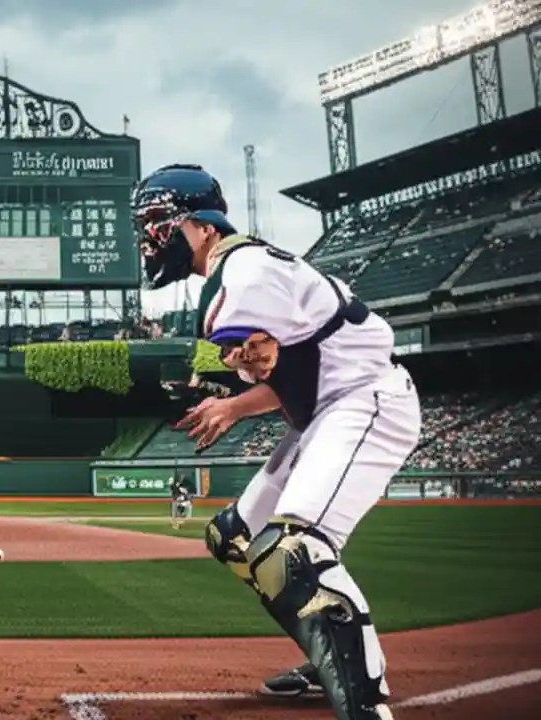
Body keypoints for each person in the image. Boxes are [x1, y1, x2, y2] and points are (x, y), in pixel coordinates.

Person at [131, 164, 420, 720]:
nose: (150, 234)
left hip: (366, 400)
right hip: (328, 408)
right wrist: (235, 404)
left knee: (295, 551)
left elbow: (284, 367)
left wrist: (241, 385)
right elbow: (297, 375)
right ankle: (329, 655)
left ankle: (368, 708)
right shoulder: (242, 270)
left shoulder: (242, 275)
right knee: (236, 538)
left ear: (204, 227)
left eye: (161, 220)